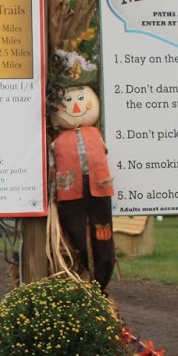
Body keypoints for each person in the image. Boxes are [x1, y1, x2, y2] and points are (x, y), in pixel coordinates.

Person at [50, 77, 115, 289]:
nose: (76, 106)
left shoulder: (97, 134)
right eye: (68, 101)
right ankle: (88, 267)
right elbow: (52, 166)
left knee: (102, 230)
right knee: (77, 229)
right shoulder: (57, 142)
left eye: (80, 99)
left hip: (99, 188)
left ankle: (102, 272)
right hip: (70, 193)